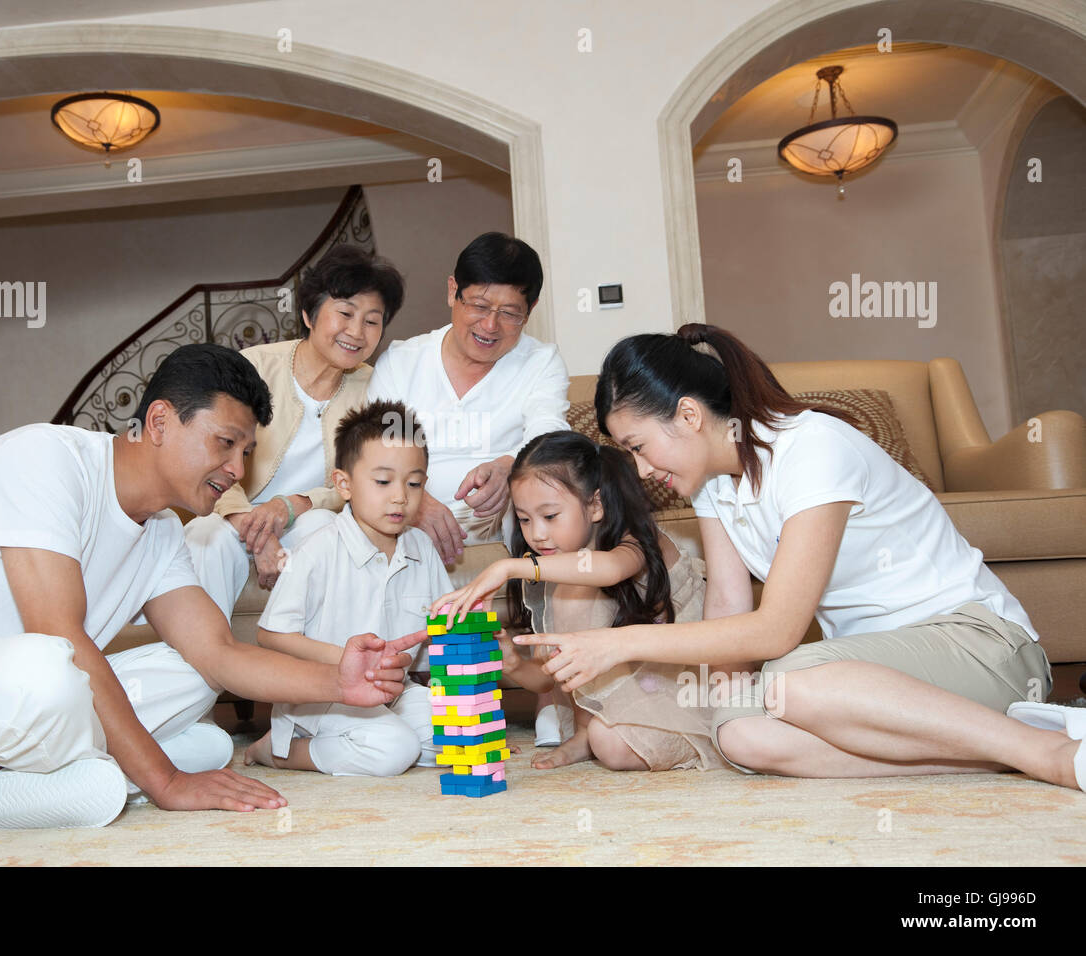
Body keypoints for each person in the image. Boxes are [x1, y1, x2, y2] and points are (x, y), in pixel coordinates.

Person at [0, 344, 424, 830]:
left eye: (246, 453)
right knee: (51, 661)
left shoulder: (160, 535)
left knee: (195, 678)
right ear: (160, 421)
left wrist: (340, 680)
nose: (235, 470)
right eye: (225, 444)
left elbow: (221, 655)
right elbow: (57, 635)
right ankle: (91, 777)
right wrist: (169, 782)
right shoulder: (44, 460)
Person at [515, 324, 1084, 793]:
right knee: (743, 736)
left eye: (639, 446)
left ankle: (1050, 752)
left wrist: (617, 643)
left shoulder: (811, 448)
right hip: (879, 683)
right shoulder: (713, 485)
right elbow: (729, 605)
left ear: (689, 416)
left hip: (980, 646)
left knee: (789, 680)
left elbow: (776, 630)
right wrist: (721, 698)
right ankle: (986, 754)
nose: (639, 470)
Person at [366, 231, 570, 745]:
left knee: (555, 501)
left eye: (510, 313)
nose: (490, 325)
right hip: (408, 507)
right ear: (452, 291)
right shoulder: (403, 361)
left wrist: (508, 466)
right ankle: (392, 691)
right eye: (478, 305)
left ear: (532, 311)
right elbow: (375, 451)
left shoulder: (540, 362)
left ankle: (553, 692)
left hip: (503, 512)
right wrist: (418, 501)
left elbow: (548, 438)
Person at [435, 430, 733, 772]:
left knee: (611, 744)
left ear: (595, 505)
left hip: (684, 687)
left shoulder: (634, 542)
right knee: (601, 730)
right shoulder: (557, 572)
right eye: (524, 519)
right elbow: (547, 678)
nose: (536, 534)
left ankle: (599, 734)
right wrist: (514, 663)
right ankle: (583, 732)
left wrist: (509, 567)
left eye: (550, 516)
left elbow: (607, 569)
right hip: (623, 697)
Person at [184, 245, 404, 610]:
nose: (356, 331)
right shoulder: (251, 368)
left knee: (323, 526)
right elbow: (209, 459)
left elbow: (364, 482)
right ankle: (207, 659)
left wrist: (294, 504)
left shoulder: (376, 389)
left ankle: (308, 658)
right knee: (208, 536)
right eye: (345, 313)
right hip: (231, 513)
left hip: (306, 522)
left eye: (371, 320)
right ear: (308, 314)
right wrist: (249, 524)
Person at [244, 399, 453, 776]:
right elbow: (271, 635)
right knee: (395, 750)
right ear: (344, 484)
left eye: (414, 483)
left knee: (455, 735)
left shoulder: (421, 547)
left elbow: (442, 633)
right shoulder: (318, 550)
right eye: (383, 481)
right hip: (323, 697)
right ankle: (277, 751)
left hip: (394, 693)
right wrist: (344, 659)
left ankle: (370, 736)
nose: (400, 496)